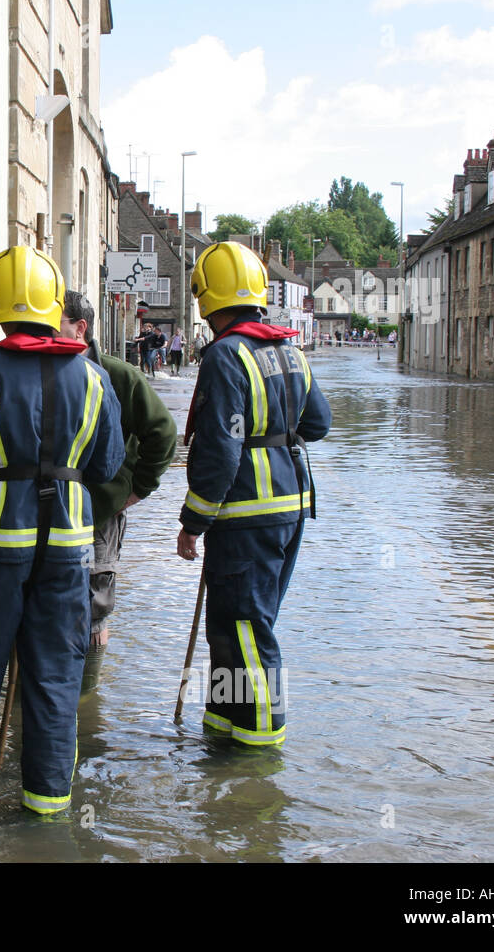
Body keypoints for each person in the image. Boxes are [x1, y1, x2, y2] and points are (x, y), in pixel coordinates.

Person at [0, 246, 123, 814]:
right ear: (52, 304)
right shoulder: (94, 376)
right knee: (57, 675)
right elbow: (107, 467)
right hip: (69, 549)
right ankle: (48, 805)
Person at [175, 241, 331, 746]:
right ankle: (224, 728)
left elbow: (220, 451)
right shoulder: (291, 350)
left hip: (245, 516)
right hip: (289, 509)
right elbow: (320, 423)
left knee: (246, 631)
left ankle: (261, 751)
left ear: (207, 300)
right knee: (231, 628)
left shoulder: (224, 355)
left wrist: (192, 522)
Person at [59, 291, 176, 692]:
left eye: (55, 319)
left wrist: (138, 488)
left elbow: (162, 433)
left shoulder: (119, 375)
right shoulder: (39, 369)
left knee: (94, 601)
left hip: (100, 511)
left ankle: (86, 698)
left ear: (80, 327)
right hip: (46, 510)